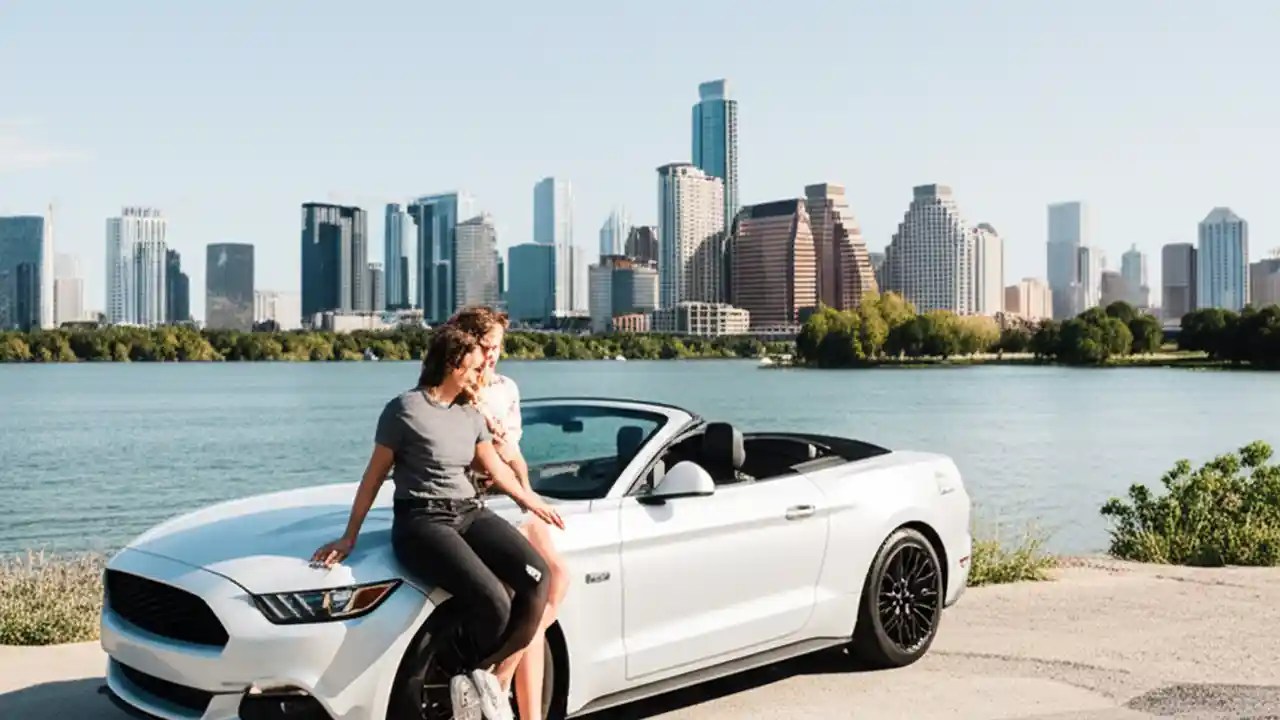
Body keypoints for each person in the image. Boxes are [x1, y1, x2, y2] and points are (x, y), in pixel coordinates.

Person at [311, 325, 564, 720]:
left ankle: (479, 676)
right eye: (476, 367)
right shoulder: (404, 409)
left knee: (538, 579)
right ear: (454, 364)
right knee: (494, 601)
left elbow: (497, 470)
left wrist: (532, 500)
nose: (483, 375)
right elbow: (374, 477)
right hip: (422, 520)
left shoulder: (470, 413)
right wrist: (349, 536)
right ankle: (469, 676)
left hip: (468, 511)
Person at [448, 307, 570, 720]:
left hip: (514, 492)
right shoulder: (456, 388)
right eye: (485, 346)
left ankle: (498, 678)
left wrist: (528, 495)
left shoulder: (505, 388)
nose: (492, 354)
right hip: (476, 497)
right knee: (529, 605)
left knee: (556, 581)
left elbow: (513, 453)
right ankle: (520, 708)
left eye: (498, 346)